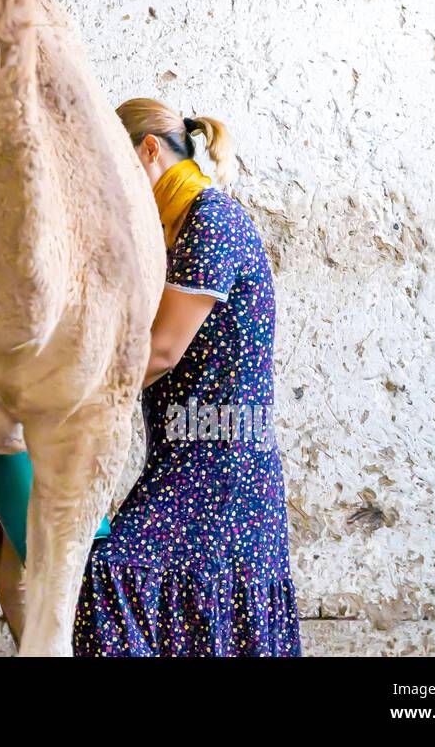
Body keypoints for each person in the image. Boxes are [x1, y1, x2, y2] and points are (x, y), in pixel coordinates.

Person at [71, 98, 301, 656]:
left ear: (150, 151)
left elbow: (163, 349)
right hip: (187, 463)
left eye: (115, 171)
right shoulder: (168, 232)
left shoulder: (210, 218)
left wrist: (72, 404)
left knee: (106, 571)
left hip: (224, 471)